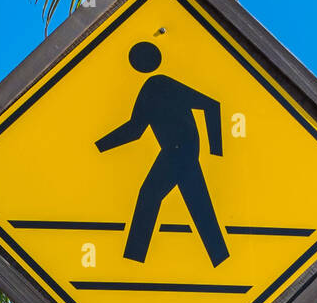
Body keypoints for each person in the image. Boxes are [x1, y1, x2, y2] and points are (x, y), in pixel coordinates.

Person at [96, 40, 229, 267]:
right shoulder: (151, 87)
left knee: (150, 194)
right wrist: (99, 146)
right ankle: (221, 259)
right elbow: (135, 129)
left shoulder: (161, 84)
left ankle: (132, 261)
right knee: (198, 204)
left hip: (180, 150)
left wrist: (216, 151)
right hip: (177, 151)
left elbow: (211, 105)